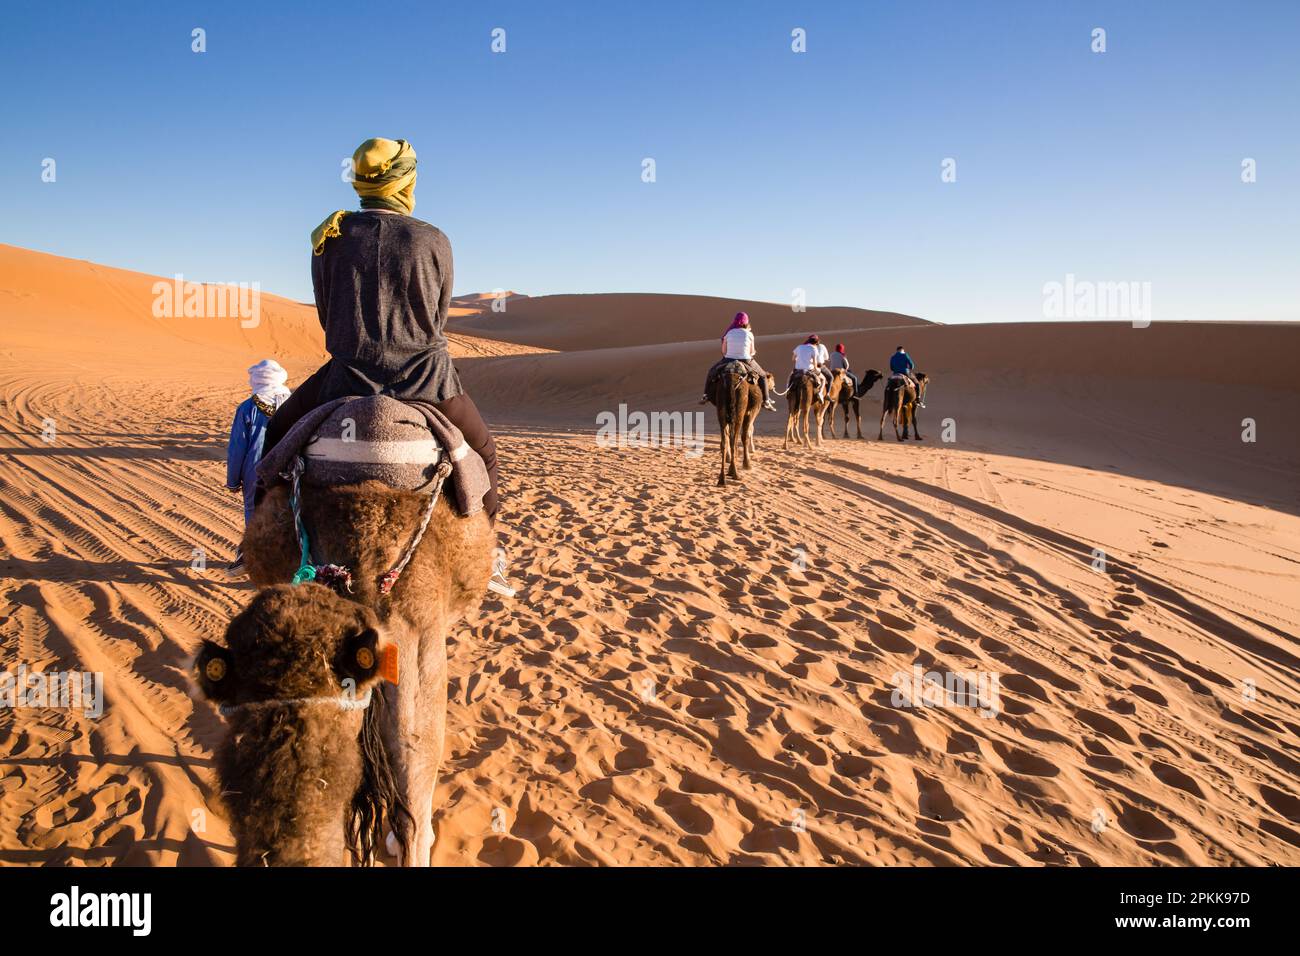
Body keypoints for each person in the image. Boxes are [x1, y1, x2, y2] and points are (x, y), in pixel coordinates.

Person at [261, 136, 511, 595]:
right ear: (407, 180)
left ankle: (256, 544)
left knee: (276, 437)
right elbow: (437, 316)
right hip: (427, 381)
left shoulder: (329, 238)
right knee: (484, 452)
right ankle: (490, 557)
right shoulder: (433, 239)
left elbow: (325, 313)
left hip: (344, 381)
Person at [226, 360, 291, 574]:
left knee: (254, 512)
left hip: (255, 468)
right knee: (286, 510)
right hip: (287, 465)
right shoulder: (293, 404)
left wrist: (233, 480)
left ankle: (250, 557)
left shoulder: (247, 408)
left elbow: (237, 447)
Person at [701, 312, 777, 410]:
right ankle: (766, 401)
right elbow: (752, 351)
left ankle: (705, 395)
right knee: (762, 375)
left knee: (711, 372)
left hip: (728, 359)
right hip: (746, 360)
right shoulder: (749, 334)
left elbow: (723, 351)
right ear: (746, 322)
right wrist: (751, 353)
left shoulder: (729, 333)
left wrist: (730, 355)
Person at [791, 334, 826, 402]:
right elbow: (815, 363)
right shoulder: (814, 349)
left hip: (798, 369)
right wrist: (816, 369)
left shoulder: (799, 346)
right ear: (815, 343)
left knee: (790, 377)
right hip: (809, 370)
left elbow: (793, 359)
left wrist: (800, 361)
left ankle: (788, 391)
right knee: (823, 379)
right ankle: (820, 393)